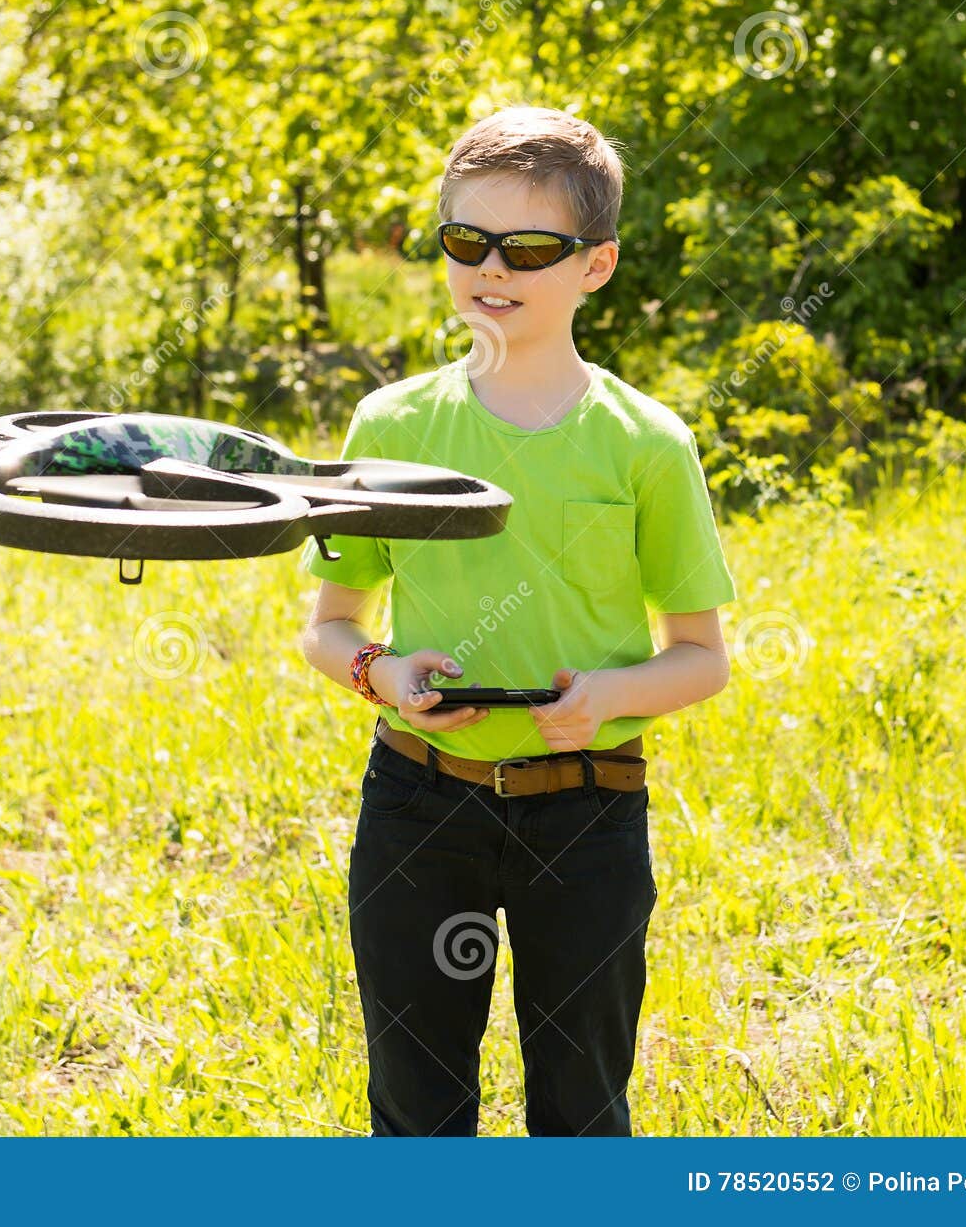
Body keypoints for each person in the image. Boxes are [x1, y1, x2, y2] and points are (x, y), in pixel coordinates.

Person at [298, 104, 737, 1136]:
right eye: (465, 240)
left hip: (585, 813)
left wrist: (610, 698)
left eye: (529, 246)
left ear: (596, 263)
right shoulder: (389, 425)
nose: (490, 268)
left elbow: (701, 657)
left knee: (582, 1111)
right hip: (416, 808)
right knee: (415, 1107)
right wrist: (382, 672)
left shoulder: (646, 443)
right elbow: (327, 626)